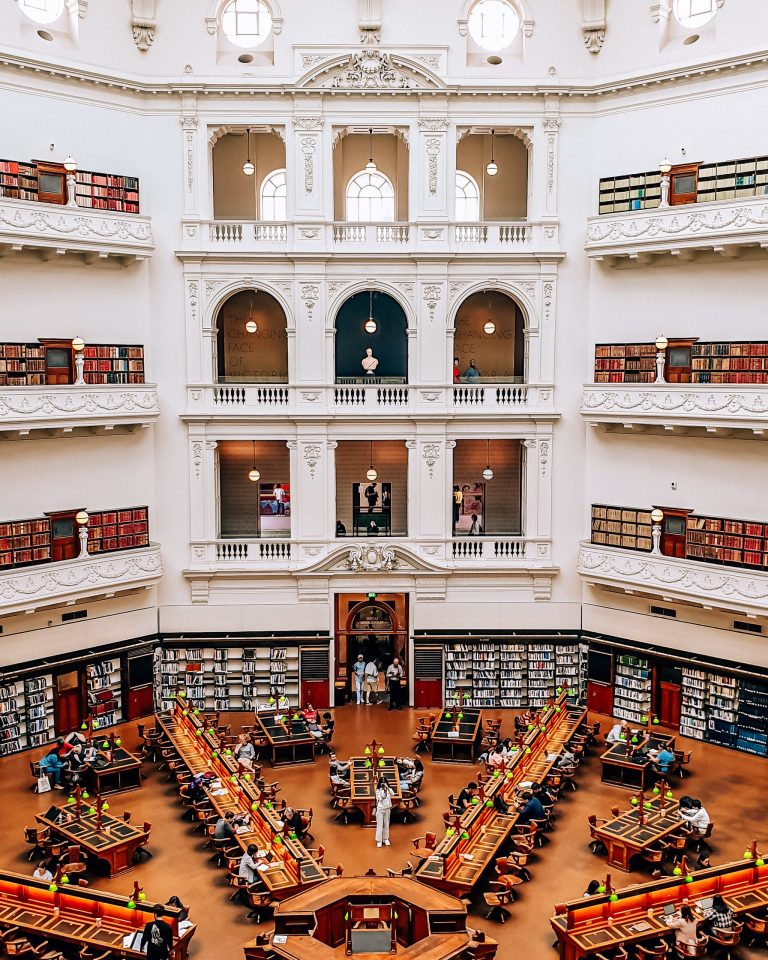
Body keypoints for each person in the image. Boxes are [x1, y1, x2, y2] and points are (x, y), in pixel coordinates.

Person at [374, 775, 393, 848]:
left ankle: (386, 838)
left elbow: (393, 794)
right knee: (380, 825)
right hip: (380, 809)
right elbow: (381, 799)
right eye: (382, 782)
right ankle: (379, 840)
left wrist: (387, 788)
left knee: (386, 824)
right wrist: (384, 791)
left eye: (384, 782)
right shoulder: (378, 790)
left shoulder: (388, 789)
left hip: (387, 808)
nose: (383, 783)